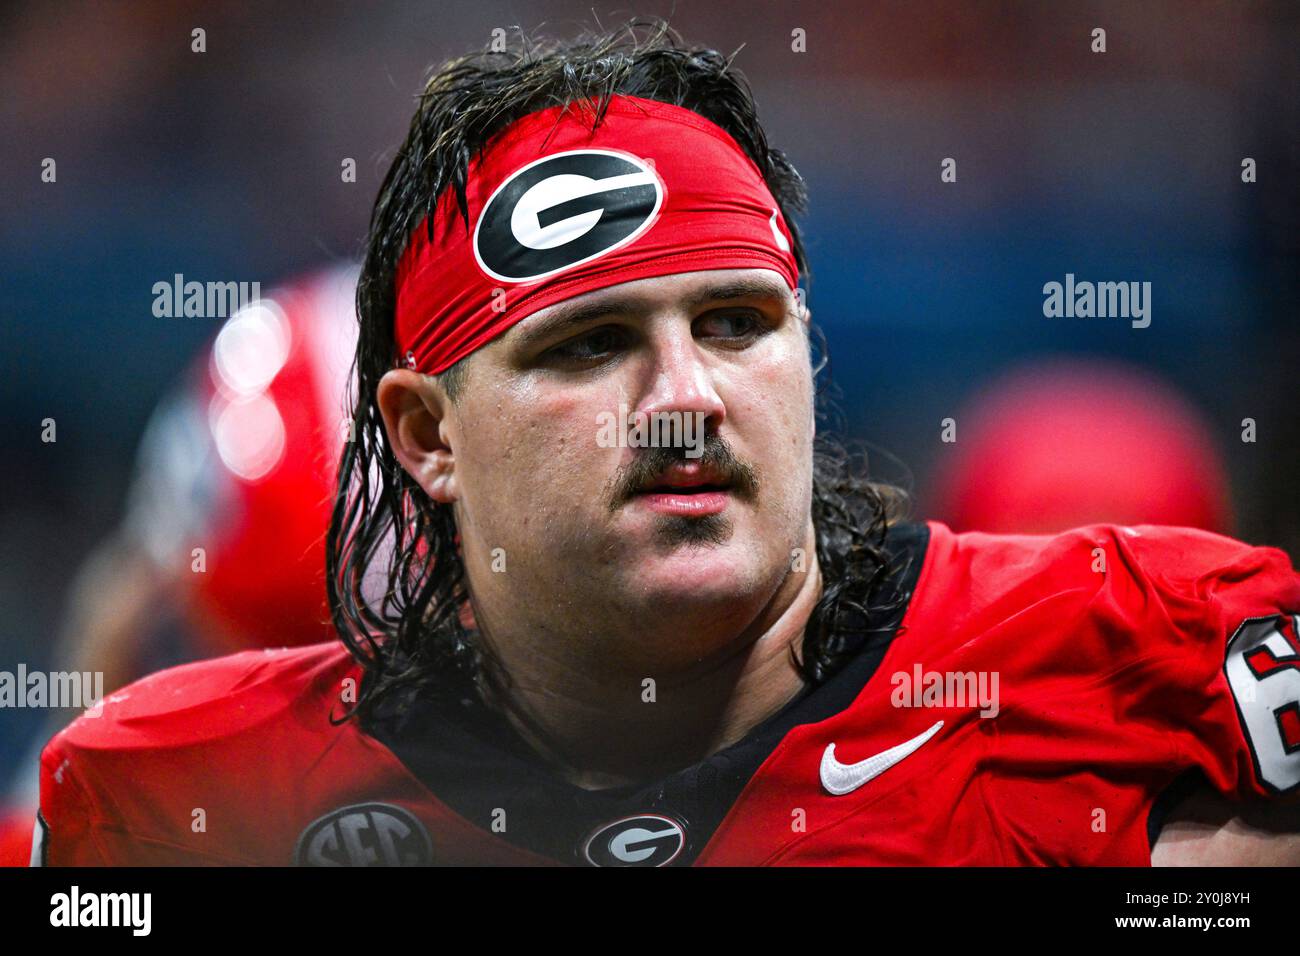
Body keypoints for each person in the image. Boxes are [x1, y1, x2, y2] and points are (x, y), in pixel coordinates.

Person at [35, 19, 1300, 867]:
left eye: (739, 321)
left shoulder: (1149, 654)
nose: (686, 394)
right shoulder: (175, 795)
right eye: (587, 345)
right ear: (427, 436)